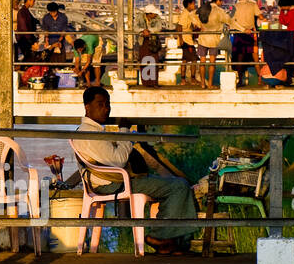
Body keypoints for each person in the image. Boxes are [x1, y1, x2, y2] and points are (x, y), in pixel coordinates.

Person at [71, 86, 199, 254]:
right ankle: (160, 235)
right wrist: (124, 131)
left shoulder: (88, 131)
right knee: (179, 186)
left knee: (176, 185)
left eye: (108, 104)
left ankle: (173, 242)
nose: (106, 109)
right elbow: (118, 160)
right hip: (113, 184)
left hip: (110, 181)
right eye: (100, 104)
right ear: (87, 107)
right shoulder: (91, 134)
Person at [196, 0, 232, 89]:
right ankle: (210, 84)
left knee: (202, 62)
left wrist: (200, 26)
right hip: (214, 39)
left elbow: (194, 16)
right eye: (222, 1)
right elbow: (229, 21)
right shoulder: (219, 11)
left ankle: (203, 83)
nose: (222, 3)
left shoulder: (204, 7)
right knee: (212, 62)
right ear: (218, 0)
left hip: (203, 38)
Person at [230, 0, 260, 86]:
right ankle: (260, 78)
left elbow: (231, 21)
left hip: (239, 33)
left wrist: (242, 29)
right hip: (251, 32)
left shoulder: (235, 7)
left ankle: (240, 79)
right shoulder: (253, 5)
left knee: (239, 57)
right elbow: (260, 16)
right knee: (255, 56)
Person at [15, 0, 40, 86]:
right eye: (33, 1)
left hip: (26, 38)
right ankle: (22, 75)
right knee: (29, 58)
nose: (34, 3)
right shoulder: (23, 12)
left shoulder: (26, 11)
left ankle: (24, 77)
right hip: (24, 39)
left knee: (28, 58)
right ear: (29, 0)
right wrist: (31, 41)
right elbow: (24, 27)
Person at [176, 0, 201, 87]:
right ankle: (192, 79)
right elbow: (179, 27)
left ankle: (183, 79)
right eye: (193, 4)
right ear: (189, 4)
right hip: (186, 40)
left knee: (185, 60)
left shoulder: (188, 14)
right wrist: (181, 39)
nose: (194, 5)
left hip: (188, 39)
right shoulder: (185, 14)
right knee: (193, 60)